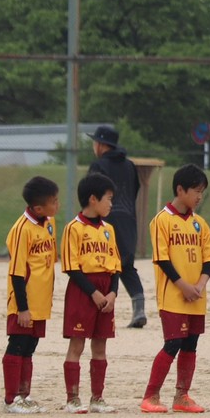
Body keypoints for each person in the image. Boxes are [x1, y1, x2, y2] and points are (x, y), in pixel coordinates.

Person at [142, 165, 210, 414]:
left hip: (196, 296)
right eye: (196, 191)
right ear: (180, 190)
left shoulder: (200, 224)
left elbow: (209, 259)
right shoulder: (162, 220)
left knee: (191, 344)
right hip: (173, 296)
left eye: (202, 192)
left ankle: (182, 395)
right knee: (172, 343)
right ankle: (151, 395)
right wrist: (183, 286)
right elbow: (163, 260)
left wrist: (200, 285)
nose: (199, 196)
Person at [59, 173, 120, 414]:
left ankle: (98, 398)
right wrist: (93, 292)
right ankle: (72, 398)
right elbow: (71, 267)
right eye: (108, 198)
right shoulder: (73, 228)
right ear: (93, 199)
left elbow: (115, 266)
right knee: (77, 344)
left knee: (100, 345)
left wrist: (113, 293)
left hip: (106, 291)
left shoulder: (109, 230)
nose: (111, 203)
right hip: (83, 290)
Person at [3, 176, 59, 414]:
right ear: (38, 207)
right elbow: (16, 273)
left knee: (30, 346)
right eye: (53, 202)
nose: (57, 205)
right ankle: (10, 399)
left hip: (41, 299)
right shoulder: (21, 230)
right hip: (23, 302)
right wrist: (22, 307)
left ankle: (24, 395)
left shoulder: (49, 223)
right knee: (17, 344)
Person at [87, 125, 147, 328]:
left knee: (103, 264)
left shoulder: (99, 166)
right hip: (129, 219)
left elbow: (91, 193)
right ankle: (139, 308)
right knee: (127, 265)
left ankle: (99, 309)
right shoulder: (130, 165)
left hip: (106, 221)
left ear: (102, 145)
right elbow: (135, 190)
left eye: (95, 142)